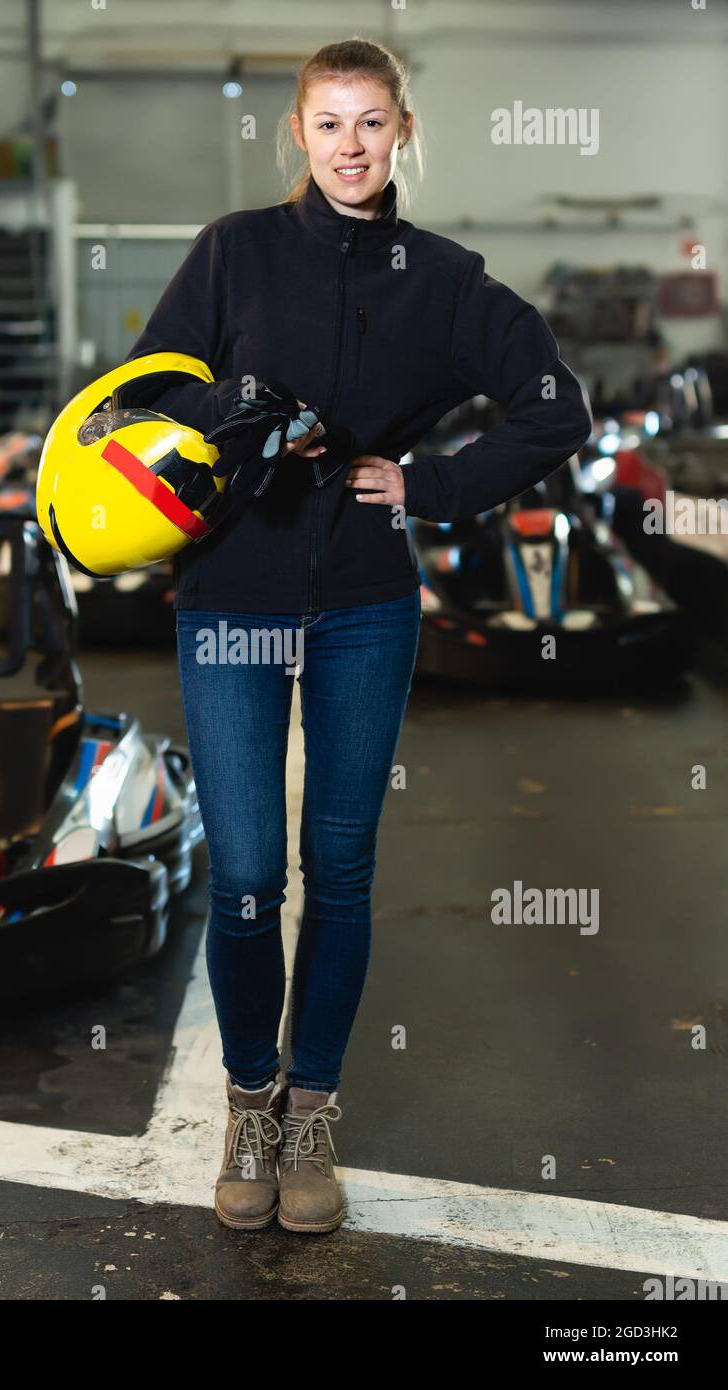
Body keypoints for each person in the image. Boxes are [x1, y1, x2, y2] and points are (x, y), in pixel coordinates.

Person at [125, 37, 592, 1234]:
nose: (348, 145)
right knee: (241, 878)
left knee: (337, 872)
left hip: (364, 609)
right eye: (327, 123)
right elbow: (140, 395)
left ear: (402, 132)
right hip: (230, 593)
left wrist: (429, 484)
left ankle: (313, 1113)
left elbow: (555, 406)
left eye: (370, 123)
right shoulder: (232, 253)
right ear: (296, 134)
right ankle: (247, 1101)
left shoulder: (442, 279)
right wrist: (237, 414)